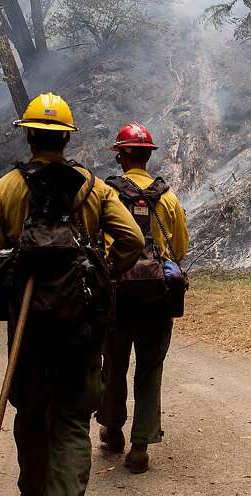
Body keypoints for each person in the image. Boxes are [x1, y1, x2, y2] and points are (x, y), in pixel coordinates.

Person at [0, 92, 144, 496]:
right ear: (67, 140)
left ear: (29, 138)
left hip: (28, 331)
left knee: (32, 416)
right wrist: (103, 273)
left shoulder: (4, 189)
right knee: (72, 422)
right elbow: (132, 239)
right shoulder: (93, 188)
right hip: (80, 327)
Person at [97, 122, 189, 474]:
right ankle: (140, 447)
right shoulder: (168, 198)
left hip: (116, 298)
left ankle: (112, 429)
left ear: (120, 155)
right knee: (150, 370)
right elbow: (178, 249)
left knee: (114, 365)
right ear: (148, 157)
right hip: (156, 298)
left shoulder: (105, 196)